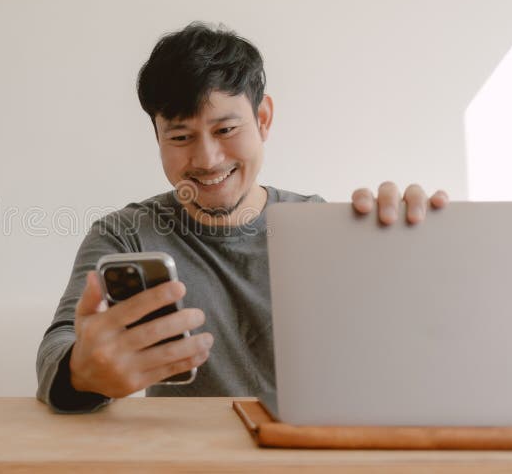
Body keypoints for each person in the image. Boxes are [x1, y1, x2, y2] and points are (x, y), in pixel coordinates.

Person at [36, 21, 449, 413]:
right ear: (158, 137)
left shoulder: (322, 227)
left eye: (226, 130)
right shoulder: (126, 235)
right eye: (180, 137)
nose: (207, 159)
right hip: (185, 458)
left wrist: (412, 257)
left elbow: (400, 352)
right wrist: (81, 373)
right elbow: (58, 349)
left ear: (263, 119)